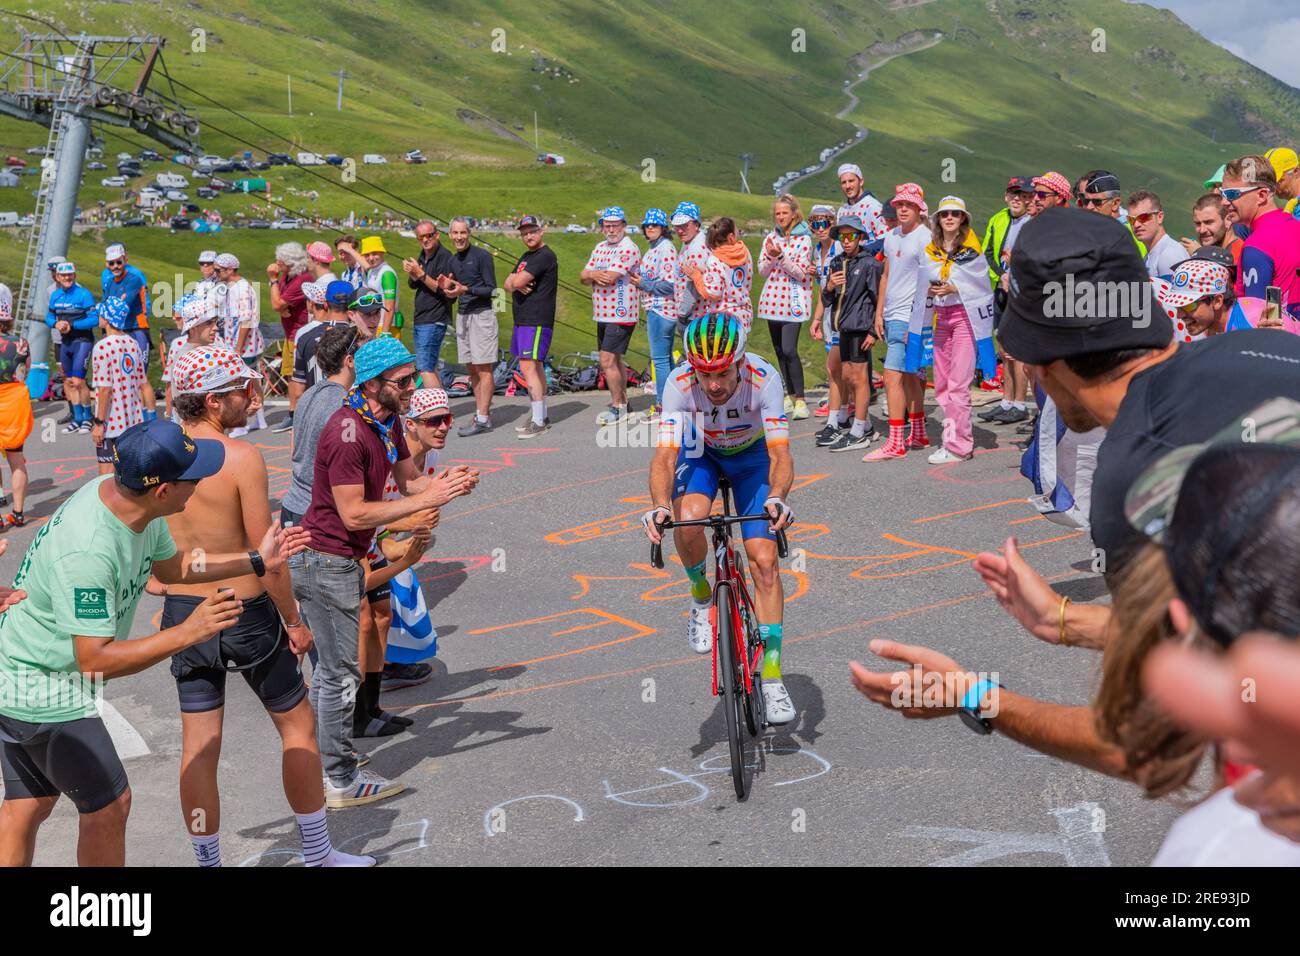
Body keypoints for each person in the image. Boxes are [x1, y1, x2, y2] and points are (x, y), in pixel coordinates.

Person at [0, 419, 305, 866]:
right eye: (193, 476)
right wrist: (188, 632)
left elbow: (174, 569)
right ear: (163, 489)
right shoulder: (90, 549)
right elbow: (94, 657)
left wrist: (257, 559)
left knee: (30, 804)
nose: (201, 483)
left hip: (23, 670)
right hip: (43, 689)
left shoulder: (134, 506)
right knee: (110, 806)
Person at [164, 344, 373, 867]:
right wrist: (294, 621)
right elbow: (269, 557)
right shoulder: (239, 459)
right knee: (297, 727)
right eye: (241, 391)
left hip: (186, 611)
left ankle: (207, 862)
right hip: (247, 611)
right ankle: (319, 853)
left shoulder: (159, 450)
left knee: (200, 747)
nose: (252, 398)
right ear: (213, 401)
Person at [290, 337, 478, 807]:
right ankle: (337, 778)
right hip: (325, 559)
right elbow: (353, 514)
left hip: (346, 558)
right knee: (336, 675)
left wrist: (447, 485)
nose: (413, 388)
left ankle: (332, 761)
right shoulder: (348, 432)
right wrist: (424, 503)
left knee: (342, 671)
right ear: (372, 383)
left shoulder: (387, 420)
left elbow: (412, 482)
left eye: (413, 378)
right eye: (404, 381)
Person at [642, 313, 797, 725]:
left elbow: (781, 454)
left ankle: (772, 676)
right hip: (702, 454)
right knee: (688, 520)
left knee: (764, 560)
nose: (712, 384)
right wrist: (660, 504)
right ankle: (699, 594)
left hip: (752, 459)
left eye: (722, 373)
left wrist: (778, 497)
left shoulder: (764, 379)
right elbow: (665, 456)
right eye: (703, 373)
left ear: (741, 362)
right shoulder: (678, 383)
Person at [907, 196, 997, 464]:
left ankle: (959, 445)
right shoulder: (930, 250)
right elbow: (921, 283)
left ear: (962, 220)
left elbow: (983, 287)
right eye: (944, 214)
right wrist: (933, 289)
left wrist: (955, 287)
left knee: (959, 383)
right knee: (944, 384)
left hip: (964, 318)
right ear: (938, 219)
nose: (949, 218)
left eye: (955, 215)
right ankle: (950, 440)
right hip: (940, 318)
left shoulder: (972, 251)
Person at [865, 183, 931, 460]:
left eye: (908, 205)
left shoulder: (925, 237)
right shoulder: (891, 236)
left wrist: (917, 323)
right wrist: (879, 313)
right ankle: (917, 433)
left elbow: (929, 282)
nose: (902, 209)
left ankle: (895, 441)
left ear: (919, 208)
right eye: (899, 205)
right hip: (892, 314)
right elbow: (886, 275)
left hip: (909, 317)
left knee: (892, 376)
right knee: (908, 377)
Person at [280, 324, 358, 529]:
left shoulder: (308, 395)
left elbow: (295, 448)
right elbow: (345, 463)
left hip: (293, 505)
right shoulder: (343, 404)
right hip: (318, 513)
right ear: (350, 361)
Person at [819, 215, 881, 454]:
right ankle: (865, 425)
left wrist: (873, 332)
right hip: (842, 328)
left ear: (860, 237)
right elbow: (827, 300)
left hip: (859, 328)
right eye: (842, 236)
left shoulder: (870, 264)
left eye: (851, 236)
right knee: (847, 377)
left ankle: (858, 432)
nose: (846, 241)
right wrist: (830, 287)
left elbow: (879, 301)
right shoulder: (836, 263)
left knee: (859, 379)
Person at [1221, 154, 1300, 323]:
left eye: (1232, 194)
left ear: (1262, 195)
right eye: (1222, 193)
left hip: (1278, 343)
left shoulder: (1257, 246)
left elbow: (1255, 318)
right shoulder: (1295, 226)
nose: (1224, 202)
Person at [581, 206, 642, 427]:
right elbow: (583, 276)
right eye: (607, 225)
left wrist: (594, 275)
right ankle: (624, 403)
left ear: (624, 226)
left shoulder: (629, 247)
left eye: (615, 225)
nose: (611, 229)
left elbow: (612, 277)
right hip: (601, 312)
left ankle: (618, 407)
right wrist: (595, 275)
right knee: (615, 360)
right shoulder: (599, 247)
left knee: (606, 360)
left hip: (621, 311)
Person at [758, 194, 814, 419]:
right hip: (772, 300)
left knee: (790, 349)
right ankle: (789, 397)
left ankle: (801, 400)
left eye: (785, 213)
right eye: (778, 213)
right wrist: (771, 258)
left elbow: (801, 273)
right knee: (780, 351)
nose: (781, 217)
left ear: (794, 214)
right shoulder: (770, 237)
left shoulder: (804, 239)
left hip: (794, 300)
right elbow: (762, 270)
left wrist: (780, 256)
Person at [444, 218, 499, 437]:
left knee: (484, 368)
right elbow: (454, 288)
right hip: (463, 315)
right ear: (450, 235)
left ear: (469, 234)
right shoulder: (453, 260)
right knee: (471, 369)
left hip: (481, 315)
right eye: (455, 233)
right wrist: (448, 289)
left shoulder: (482, 256)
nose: (459, 237)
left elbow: (491, 289)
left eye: (463, 233)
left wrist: (465, 290)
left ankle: (483, 418)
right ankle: (481, 412)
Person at [505, 215, 558, 439]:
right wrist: (516, 282)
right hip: (524, 319)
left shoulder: (544, 255)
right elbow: (508, 283)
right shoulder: (527, 256)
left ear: (541, 231)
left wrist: (516, 282)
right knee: (533, 366)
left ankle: (538, 421)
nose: (529, 236)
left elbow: (515, 282)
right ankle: (540, 414)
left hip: (536, 319)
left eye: (532, 231)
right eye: (525, 233)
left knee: (528, 367)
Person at [90, 298, 148, 476]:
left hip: (112, 422)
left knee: (106, 478)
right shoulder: (132, 343)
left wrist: (99, 423)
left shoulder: (102, 347)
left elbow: (105, 389)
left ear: (107, 319)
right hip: (132, 420)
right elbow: (141, 383)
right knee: (130, 475)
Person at [99, 244, 156, 421]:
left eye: (118, 262)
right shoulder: (109, 282)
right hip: (120, 332)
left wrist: (108, 308)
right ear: (107, 264)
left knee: (141, 379)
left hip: (137, 329)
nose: (115, 266)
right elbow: (105, 305)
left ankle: (150, 420)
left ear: (125, 260)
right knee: (125, 377)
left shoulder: (134, 279)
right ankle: (135, 416)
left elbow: (123, 306)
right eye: (111, 263)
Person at [630, 208, 677, 420]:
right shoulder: (653, 249)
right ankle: (675, 401)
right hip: (655, 308)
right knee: (666, 359)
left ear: (663, 228)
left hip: (661, 309)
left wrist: (644, 283)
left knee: (659, 361)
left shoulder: (665, 248)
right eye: (647, 225)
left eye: (655, 225)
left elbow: (669, 285)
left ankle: (662, 406)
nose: (650, 228)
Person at [214, 253, 267, 436]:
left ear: (230, 269)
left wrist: (237, 348)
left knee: (242, 382)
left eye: (218, 270)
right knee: (252, 379)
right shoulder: (231, 287)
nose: (216, 273)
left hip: (244, 345)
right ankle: (260, 419)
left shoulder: (242, 289)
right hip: (239, 343)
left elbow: (246, 321)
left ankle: (243, 422)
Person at [808, 204, 847, 439]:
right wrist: (817, 318)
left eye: (825, 222)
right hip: (828, 314)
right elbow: (824, 288)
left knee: (836, 369)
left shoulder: (840, 247)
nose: (820, 228)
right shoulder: (817, 250)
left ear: (833, 223)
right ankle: (842, 415)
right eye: (815, 223)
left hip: (842, 314)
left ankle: (835, 421)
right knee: (838, 370)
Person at [45, 262, 97, 434]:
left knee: (79, 381)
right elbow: (49, 315)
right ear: (58, 277)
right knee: (67, 381)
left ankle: (88, 418)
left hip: (82, 340)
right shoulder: (55, 295)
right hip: (65, 342)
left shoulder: (84, 294)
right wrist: (55, 323)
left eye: (70, 275)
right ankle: (78, 418)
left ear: (74, 276)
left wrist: (71, 325)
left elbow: (94, 319)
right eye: (63, 275)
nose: (67, 278)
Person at [267, 242, 313, 433]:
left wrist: (272, 280)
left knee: (297, 377)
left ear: (292, 263)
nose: (277, 264)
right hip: (290, 333)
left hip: (299, 333)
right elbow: (280, 305)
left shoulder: (301, 280)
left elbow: (277, 305)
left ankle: (297, 415)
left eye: (282, 261)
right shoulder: (289, 276)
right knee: (289, 374)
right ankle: (294, 413)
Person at [401, 220, 454, 386]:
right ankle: (440, 406)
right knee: (429, 366)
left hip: (434, 318)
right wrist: (412, 272)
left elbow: (444, 291)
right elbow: (413, 285)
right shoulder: (423, 255)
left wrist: (420, 274)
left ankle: (435, 411)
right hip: (421, 318)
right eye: (420, 237)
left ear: (437, 235)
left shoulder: (445, 257)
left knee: (425, 369)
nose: (425, 240)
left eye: (428, 236)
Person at [686, 217, 753, 334]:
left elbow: (713, 293)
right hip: (744, 314)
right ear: (731, 237)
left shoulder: (715, 259)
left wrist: (696, 277)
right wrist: (706, 273)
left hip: (722, 319)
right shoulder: (745, 253)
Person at [1158, 258, 1248, 339]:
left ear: (1217, 301)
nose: (1179, 315)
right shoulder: (1213, 326)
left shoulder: (1248, 327)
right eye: (1177, 306)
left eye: (1188, 305)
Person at [0, 307, 32, 529]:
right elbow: (25, 372)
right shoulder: (21, 342)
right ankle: (18, 513)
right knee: (16, 459)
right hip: (14, 402)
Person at [1125, 191, 1185, 280]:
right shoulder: (1150, 255)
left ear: (1160, 217)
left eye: (1143, 217)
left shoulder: (1169, 255)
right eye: (1131, 220)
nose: (1136, 224)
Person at [671, 201, 710, 323]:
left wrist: (682, 313)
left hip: (694, 316)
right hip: (691, 314)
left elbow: (693, 287)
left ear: (696, 225)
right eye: (677, 226)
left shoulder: (697, 248)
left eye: (685, 225)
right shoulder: (689, 242)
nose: (680, 231)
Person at [835, 163, 886, 253]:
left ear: (861, 182)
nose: (847, 186)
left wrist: (862, 254)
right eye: (844, 182)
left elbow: (885, 239)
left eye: (851, 181)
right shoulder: (842, 211)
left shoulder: (873, 206)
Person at [1180, 192, 1242, 264]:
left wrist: (1200, 254)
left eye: (1208, 222)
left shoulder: (1240, 254)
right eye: (1198, 223)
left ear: (1228, 220)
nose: (1202, 230)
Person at [359, 236, 400, 335]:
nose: (371, 258)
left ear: (382, 253)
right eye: (367, 255)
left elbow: (390, 307)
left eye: (374, 254)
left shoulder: (387, 273)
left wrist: (385, 333)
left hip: (387, 326)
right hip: (375, 324)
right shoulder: (372, 271)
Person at [1265, 146, 1300, 218]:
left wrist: (1286, 219)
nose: (1272, 188)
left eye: (1277, 180)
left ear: (1296, 171)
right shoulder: (1293, 205)